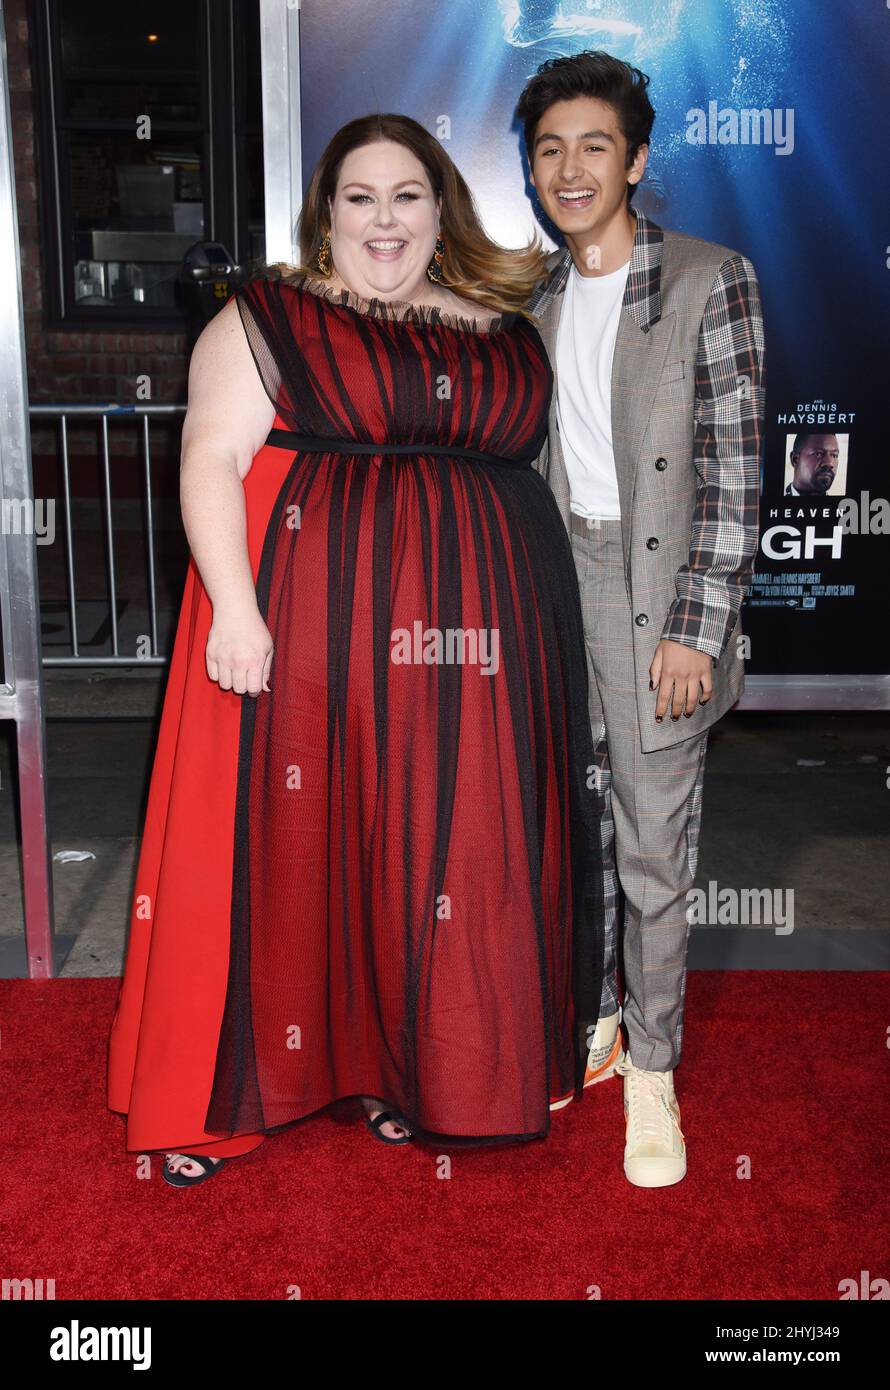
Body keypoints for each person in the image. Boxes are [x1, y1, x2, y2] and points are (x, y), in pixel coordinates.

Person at [106, 113, 605, 1186]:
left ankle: (405, 1071)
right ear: (325, 214)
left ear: (442, 210)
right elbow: (207, 458)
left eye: (407, 195)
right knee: (292, 848)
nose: (385, 219)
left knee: (430, 854)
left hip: (475, 654)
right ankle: (219, 1096)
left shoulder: (501, 326)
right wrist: (237, 613)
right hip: (313, 632)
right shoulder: (269, 319)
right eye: (360, 197)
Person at [516, 52, 765, 1187]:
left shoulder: (712, 280)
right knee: (576, 834)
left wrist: (694, 626)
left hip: (657, 597)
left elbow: (732, 471)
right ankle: (599, 1023)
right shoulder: (533, 297)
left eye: (593, 146)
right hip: (552, 591)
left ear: (637, 159)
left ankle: (654, 1069)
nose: (569, 168)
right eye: (548, 147)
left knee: (655, 851)